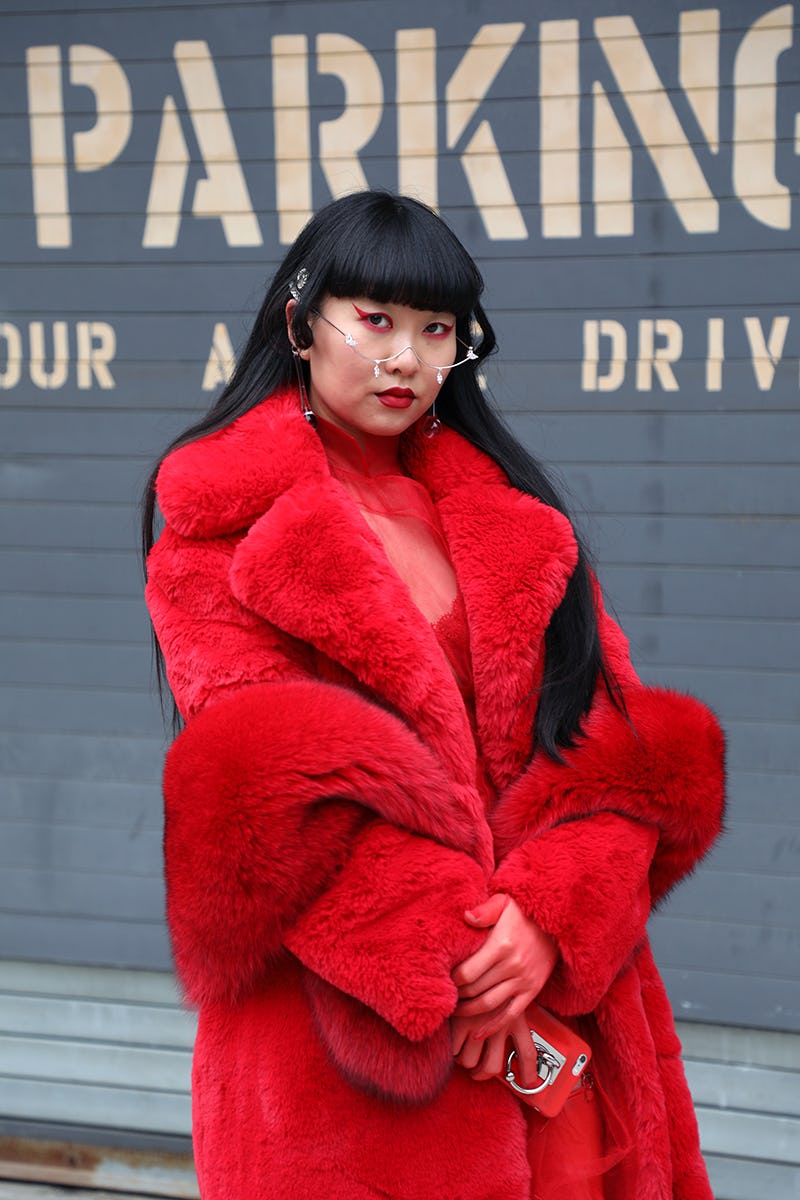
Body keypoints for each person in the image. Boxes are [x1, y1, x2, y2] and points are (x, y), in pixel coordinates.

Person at [142, 190, 725, 1200]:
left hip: (563, 1031)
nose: (405, 358)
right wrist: (472, 963)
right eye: (374, 320)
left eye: (436, 328)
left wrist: (547, 920)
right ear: (300, 322)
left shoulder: (516, 517)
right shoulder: (221, 527)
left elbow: (622, 750)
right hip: (346, 1062)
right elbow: (269, 792)